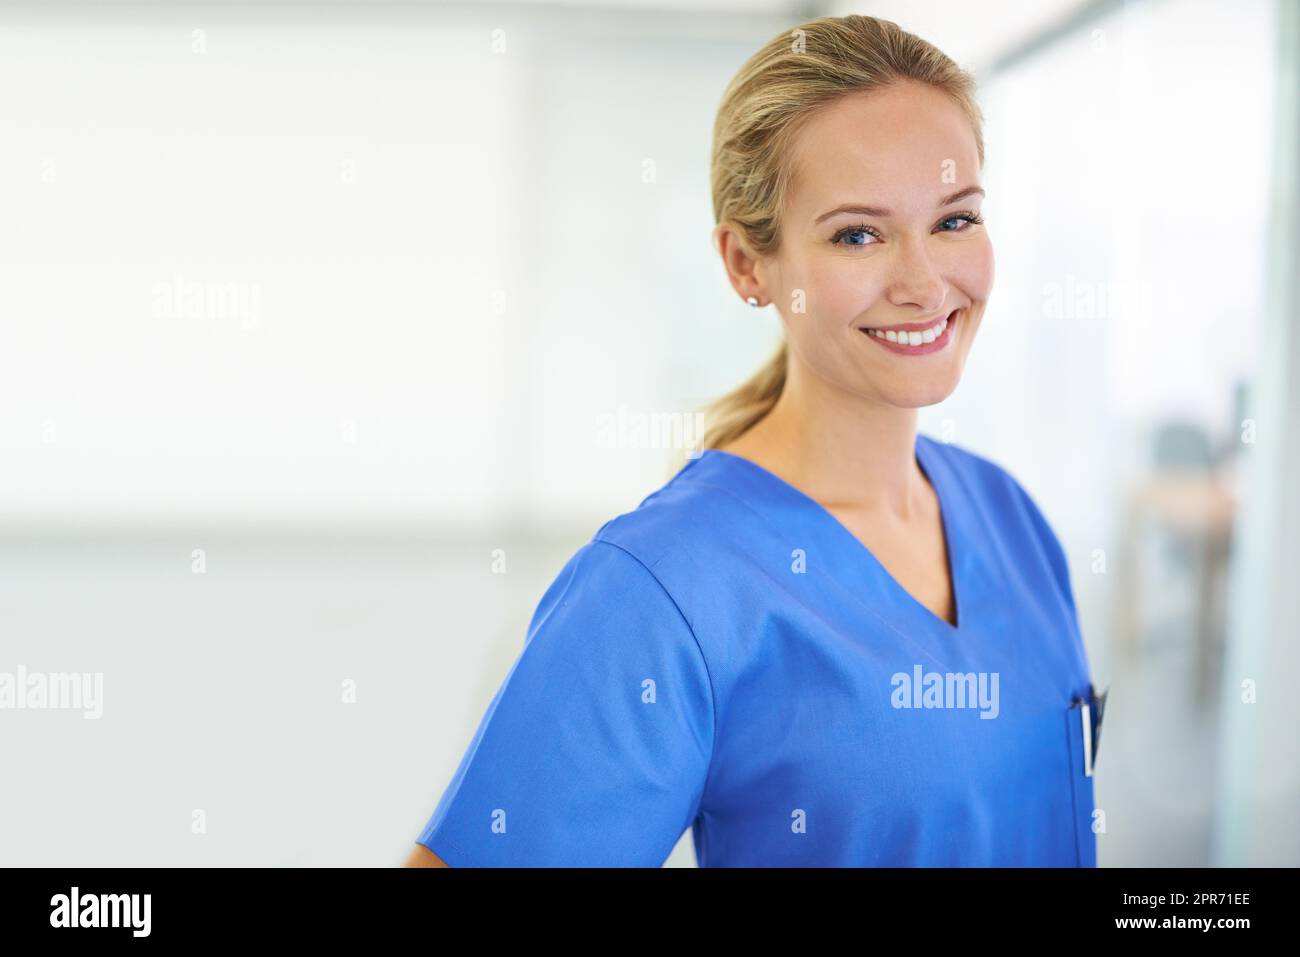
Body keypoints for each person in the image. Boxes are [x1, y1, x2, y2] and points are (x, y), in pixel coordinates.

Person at [405, 13, 1099, 868]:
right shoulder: (666, 587)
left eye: (955, 220)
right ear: (746, 263)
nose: (925, 282)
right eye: (858, 234)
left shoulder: (1011, 519)